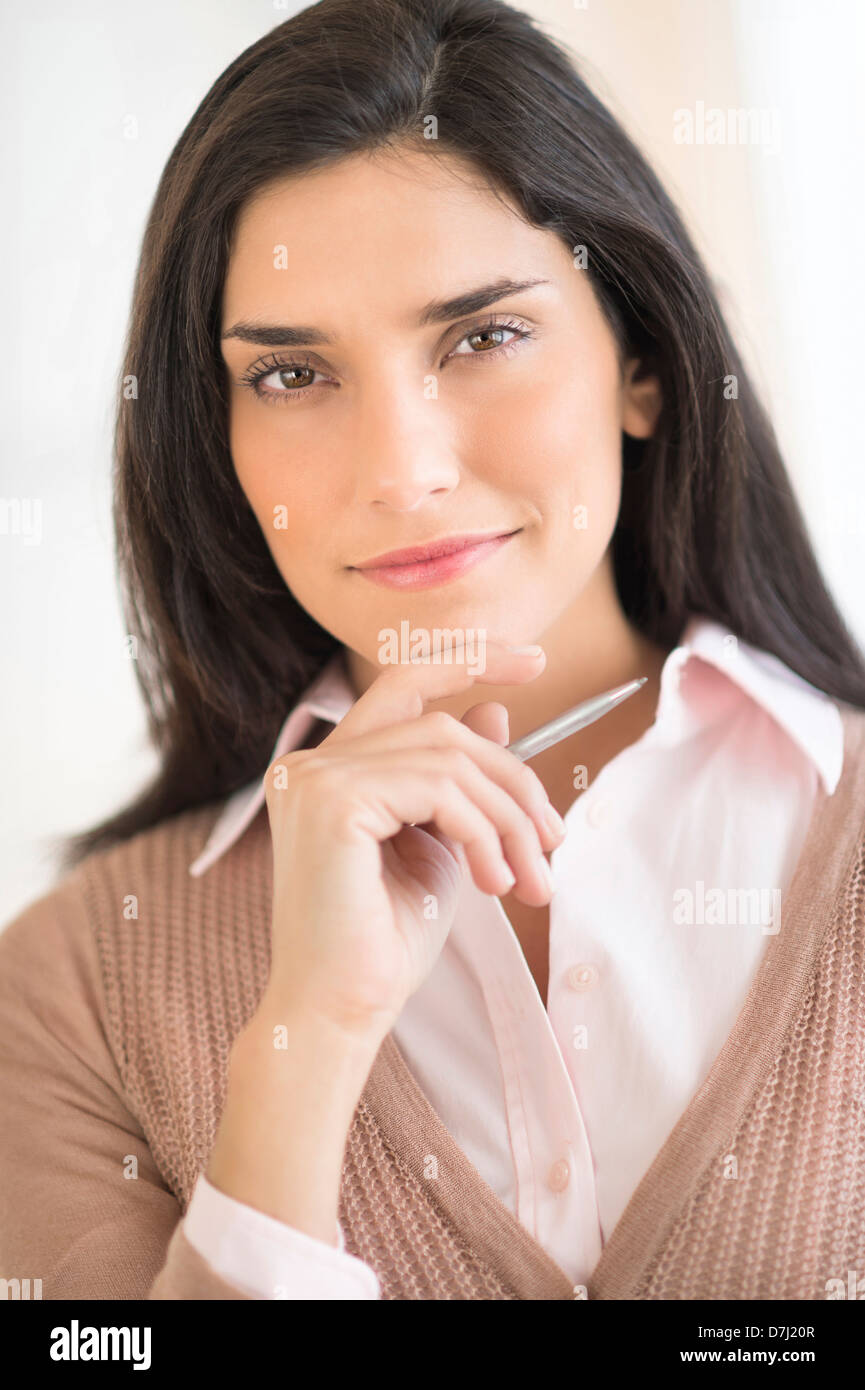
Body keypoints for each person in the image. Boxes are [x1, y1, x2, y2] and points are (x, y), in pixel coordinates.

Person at [2, 0, 864, 1302]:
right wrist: (304, 1046)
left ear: (639, 361)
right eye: (292, 375)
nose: (401, 471)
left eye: (483, 336)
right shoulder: (68, 989)